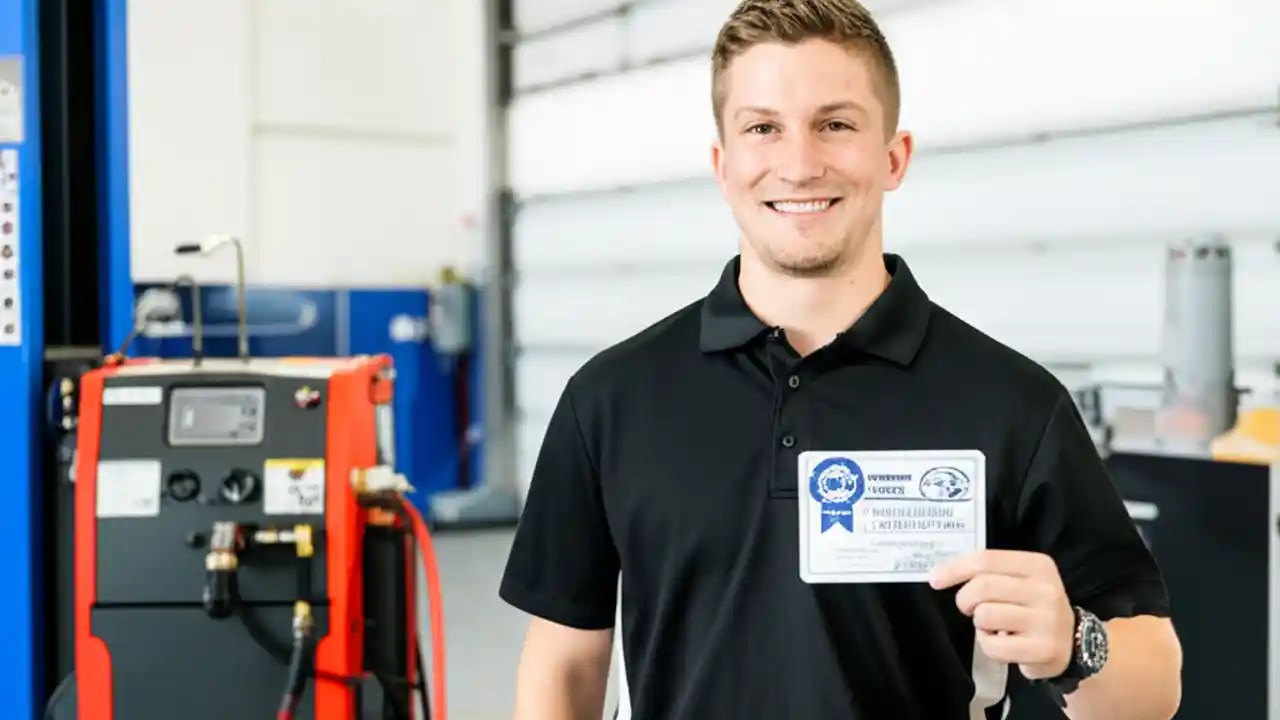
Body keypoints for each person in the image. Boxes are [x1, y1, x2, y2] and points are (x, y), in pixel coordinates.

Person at [499, 0, 1183, 718]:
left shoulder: (1013, 404)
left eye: (835, 124)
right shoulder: (610, 400)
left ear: (894, 157)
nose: (799, 165)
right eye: (763, 128)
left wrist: (1075, 641)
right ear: (722, 163)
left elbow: (1155, 688)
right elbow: (565, 664)